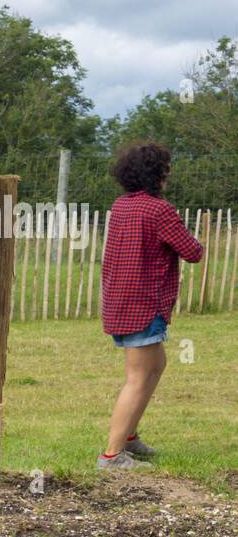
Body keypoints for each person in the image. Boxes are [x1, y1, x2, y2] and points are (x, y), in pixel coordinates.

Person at [97, 142, 204, 470]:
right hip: (144, 305)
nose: (168, 175)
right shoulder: (160, 211)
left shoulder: (122, 205)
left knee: (156, 365)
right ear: (156, 174)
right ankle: (112, 456)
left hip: (120, 302)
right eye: (166, 169)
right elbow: (193, 252)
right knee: (138, 378)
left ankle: (129, 438)